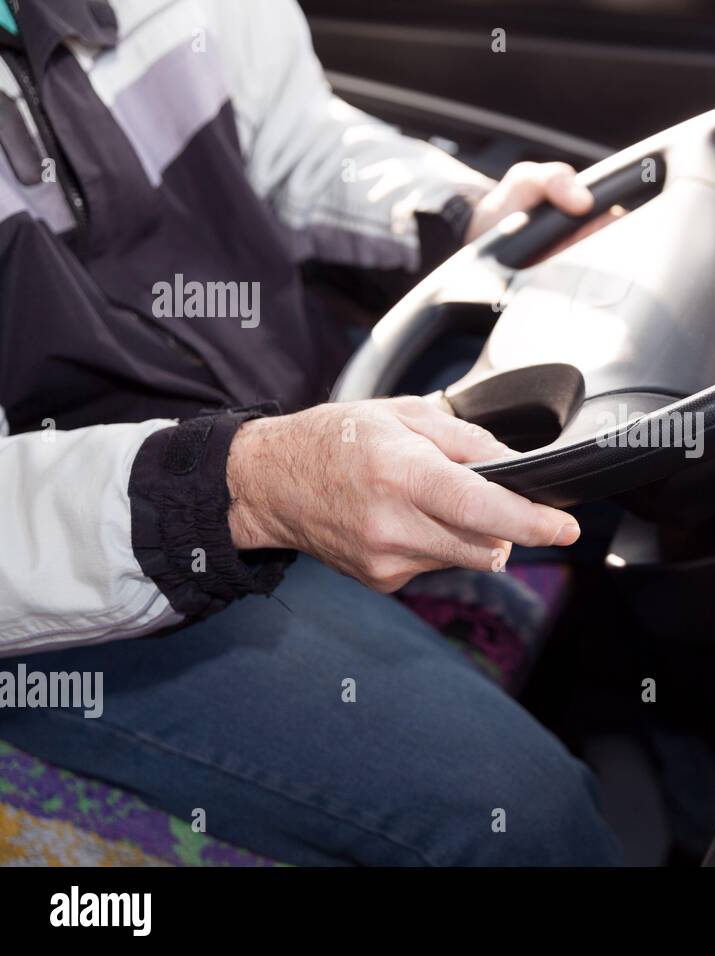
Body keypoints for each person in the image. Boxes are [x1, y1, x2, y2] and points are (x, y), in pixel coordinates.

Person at [0, 0, 622, 865]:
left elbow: (296, 141)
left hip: (276, 420)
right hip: (80, 574)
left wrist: (458, 215)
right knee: (520, 814)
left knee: (619, 436)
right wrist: (235, 491)